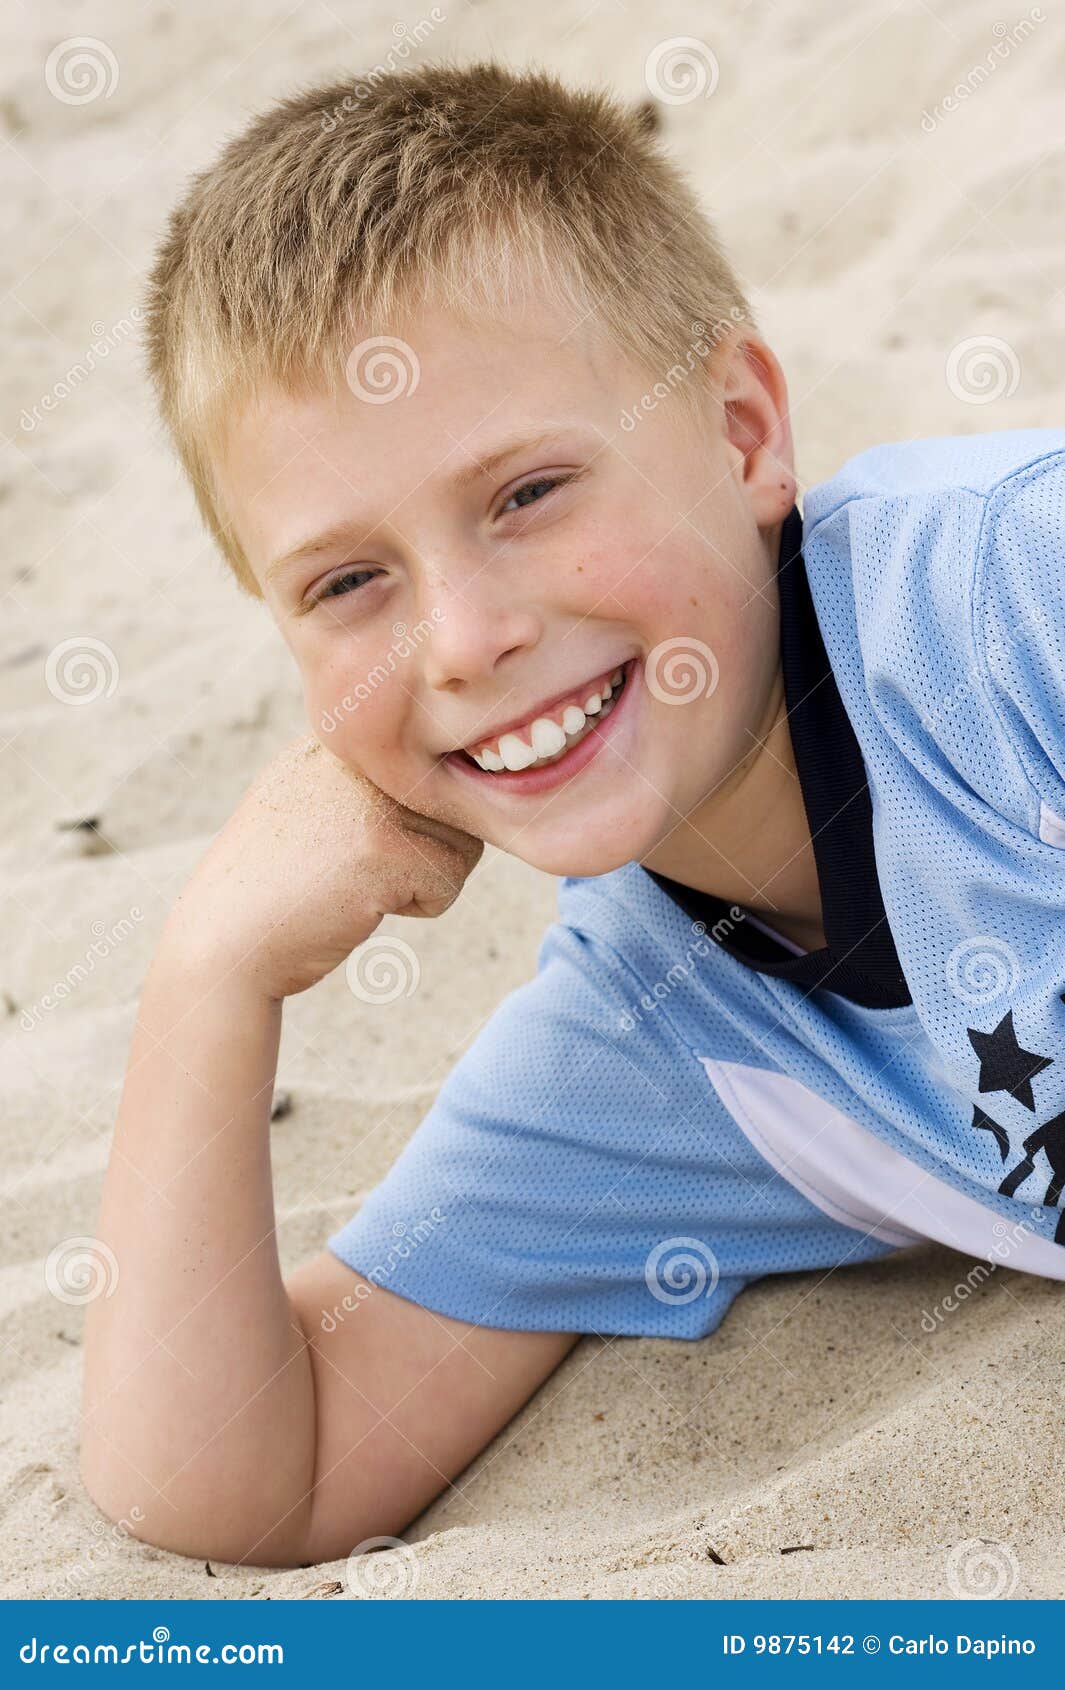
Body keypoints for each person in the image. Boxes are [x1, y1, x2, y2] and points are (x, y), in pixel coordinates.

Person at [80, 59, 1065, 1570]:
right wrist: (208, 976)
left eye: (528, 491)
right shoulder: (654, 1044)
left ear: (741, 434)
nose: (464, 638)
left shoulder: (1006, 604)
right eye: (349, 583)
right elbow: (234, 1483)